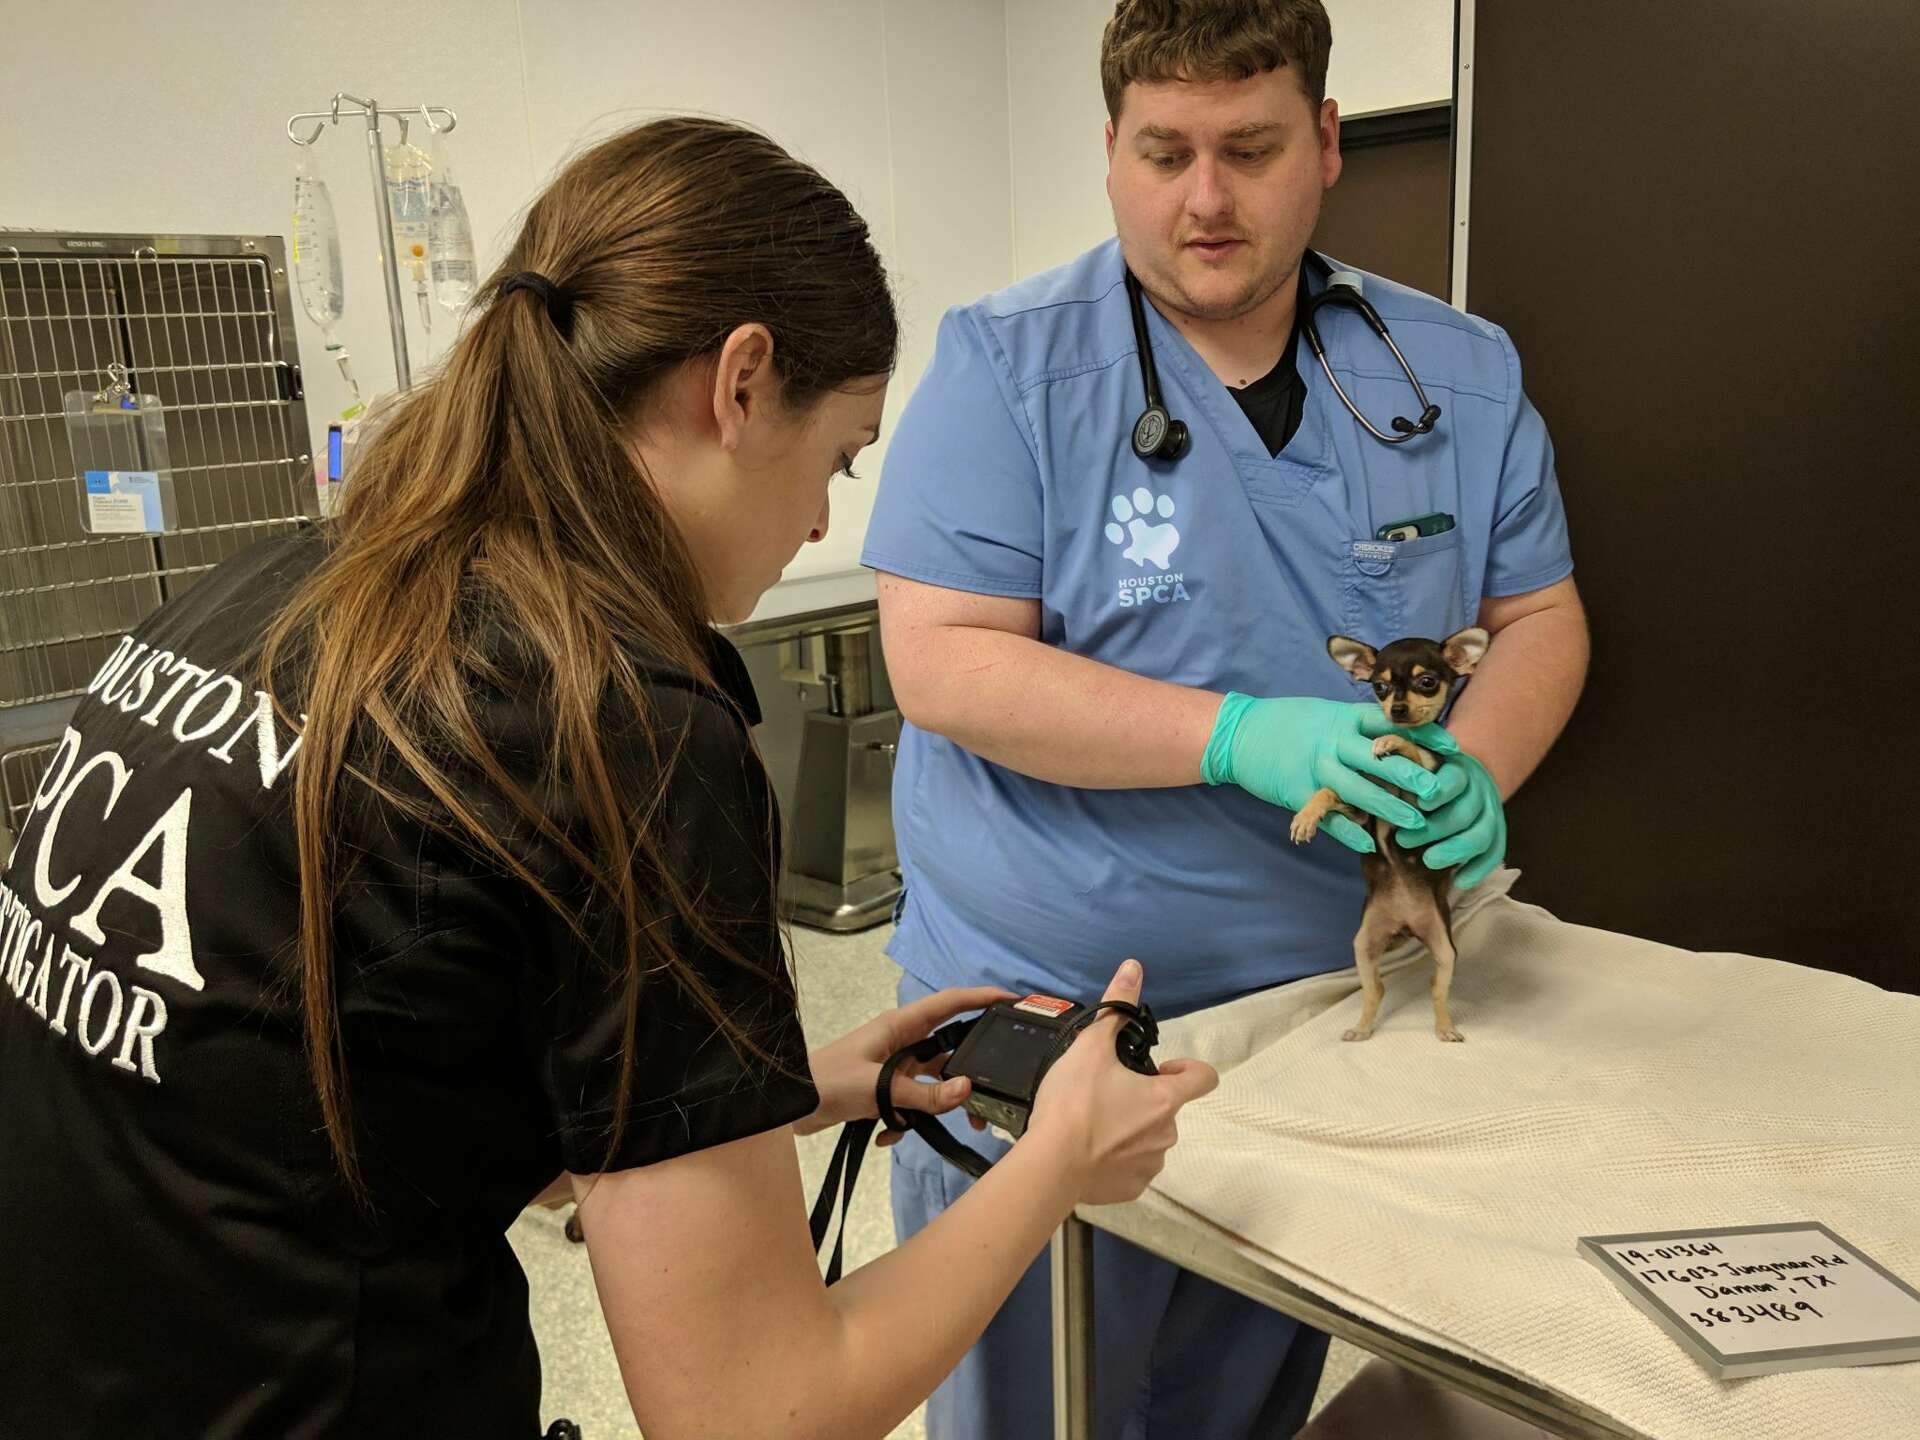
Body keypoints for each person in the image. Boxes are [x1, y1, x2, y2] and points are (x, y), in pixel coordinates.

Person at [0, 116, 1220, 1440]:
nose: (823, 519)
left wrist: (773, 1088)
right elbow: (755, 1414)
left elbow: (390, 1069)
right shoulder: (613, 722)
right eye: (842, 454)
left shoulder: (280, 600)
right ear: (742, 382)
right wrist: (1051, 1165)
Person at [862, 2, 1592, 1436]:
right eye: (1164, 151)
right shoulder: (1007, 369)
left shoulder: (1459, 373)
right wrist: (1239, 736)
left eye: (1250, 149)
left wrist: (1475, 772)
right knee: (1042, 1412)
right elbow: (943, 661)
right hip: (1048, 1031)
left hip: (1321, 1034)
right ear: (1113, 152)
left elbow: (1541, 620)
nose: (1205, 197)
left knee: (1239, 1413)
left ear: (1325, 144)